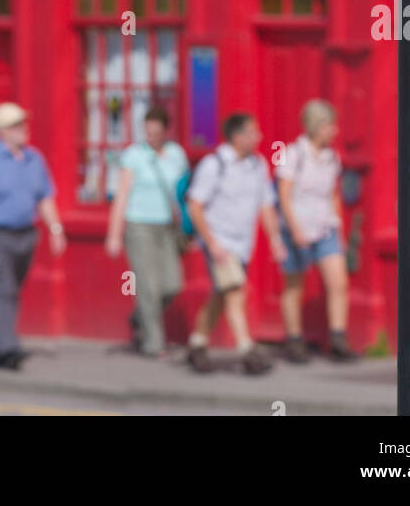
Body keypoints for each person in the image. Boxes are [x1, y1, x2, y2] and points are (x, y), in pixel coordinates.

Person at [0, 102, 66, 369]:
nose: (23, 129)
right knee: (4, 288)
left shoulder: (34, 159)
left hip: (26, 235)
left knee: (11, 290)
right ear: (2, 131)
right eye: (17, 125)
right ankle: (8, 349)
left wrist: (55, 230)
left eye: (23, 124)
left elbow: (45, 198)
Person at [186, 112, 286, 374]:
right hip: (219, 241)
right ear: (237, 137)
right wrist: (212, 244)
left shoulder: (258, 165)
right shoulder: (214, 164)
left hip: (243, 244)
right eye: (254, 132)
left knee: (220, 295)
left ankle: (197, 343)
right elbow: (195, 206)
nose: (259, 137)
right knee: (235, 291)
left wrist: (275, 239)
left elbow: (266, 205)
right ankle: (247, 350)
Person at [275, 98, 356, 362]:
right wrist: (295, 230)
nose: (334, 131)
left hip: (325, 226)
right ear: (316, 126)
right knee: (295, 286)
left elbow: (333, 194)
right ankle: (294, 340)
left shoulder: (332, 157)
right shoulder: (293, 154)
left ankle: (338, 338)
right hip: (297, 226)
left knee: (338, 283)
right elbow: (284, 196)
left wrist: (339, 228)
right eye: (330, 126)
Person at [105, 105, 189, 357]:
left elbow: (185, 194)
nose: (150, 136)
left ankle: (141, 316)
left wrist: (188, 227)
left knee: (172, 284)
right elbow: (122, 195)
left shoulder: (177, 154)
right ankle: (154, 342)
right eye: (147, 131)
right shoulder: (133, 155)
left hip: (167, 227)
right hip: (138, 224)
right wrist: (114, 234)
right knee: (147, 285)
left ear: (166, 130)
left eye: (155, 132)